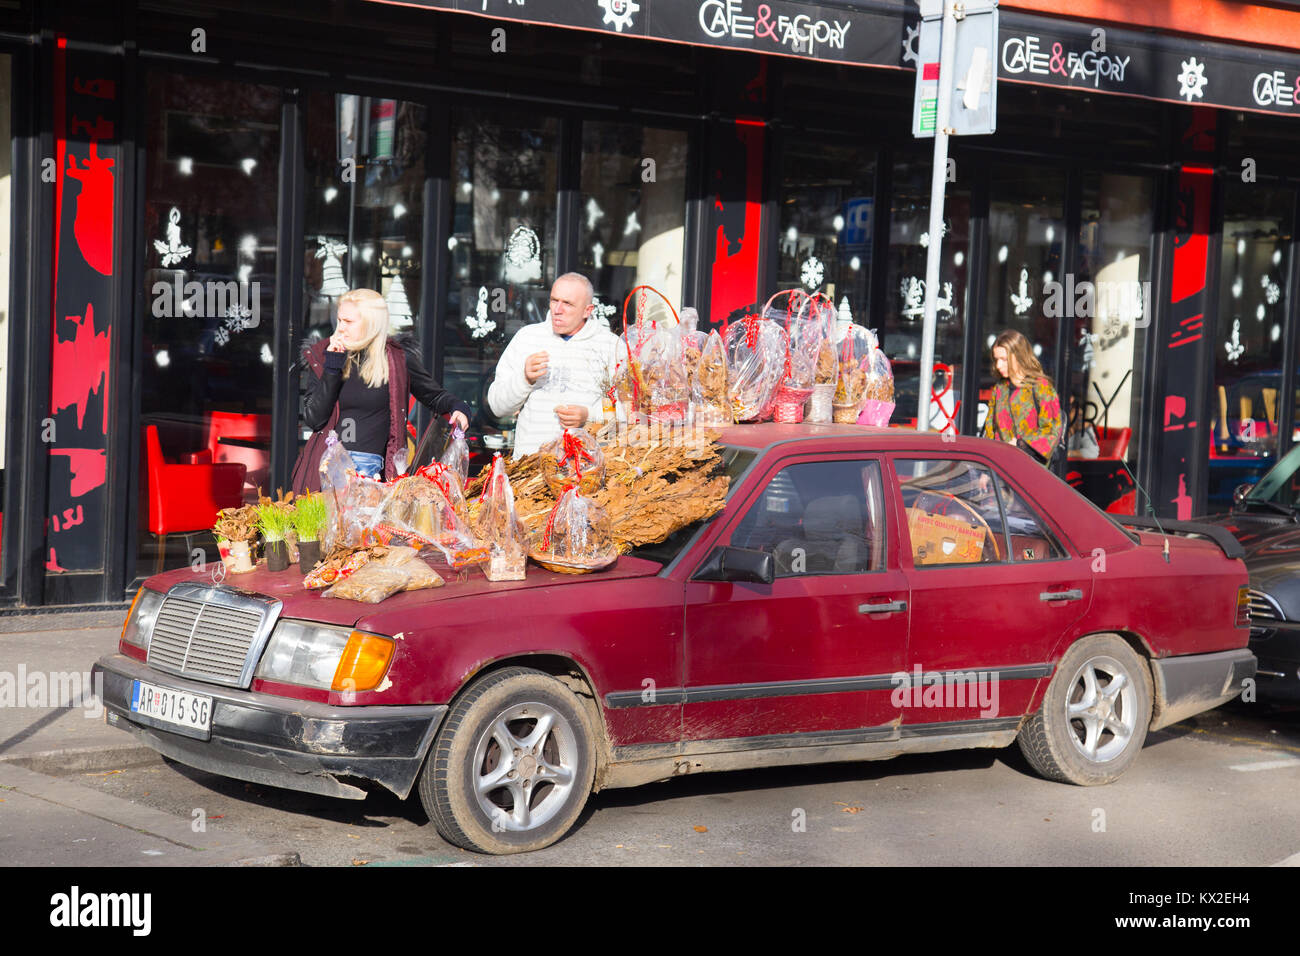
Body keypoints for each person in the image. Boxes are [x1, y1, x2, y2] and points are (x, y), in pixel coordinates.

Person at [291, 288, 470, 491]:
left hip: (370, 472)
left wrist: (458, 407)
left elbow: (434, 395)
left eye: (348, 322)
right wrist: (332, 367)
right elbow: (314, 419)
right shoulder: (325, 356)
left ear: (370, 324)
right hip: (327, 467)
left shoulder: (396, 360)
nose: (340, 328)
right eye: (339, 320)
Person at [487, 272, 619, 457]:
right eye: (554, 300)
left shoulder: (611, 346)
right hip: (530, 469)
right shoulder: (528, 338)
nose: (557, 309)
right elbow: (497, 406)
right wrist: (524, 379)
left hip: (585, 470)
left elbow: (628, 410)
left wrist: (588, 415)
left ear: (587, 310)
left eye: (568, 303)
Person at [981, 329, 1063, 466]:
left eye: (1004, 359)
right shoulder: (999, 389)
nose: (998, 365)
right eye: (996, 359)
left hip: (1031, 472)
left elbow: (1052, 430)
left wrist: (1021, 444)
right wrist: (985, 469)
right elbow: (990, 430)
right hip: (1000, 469)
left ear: (1019, 356)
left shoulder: (1041, 387)